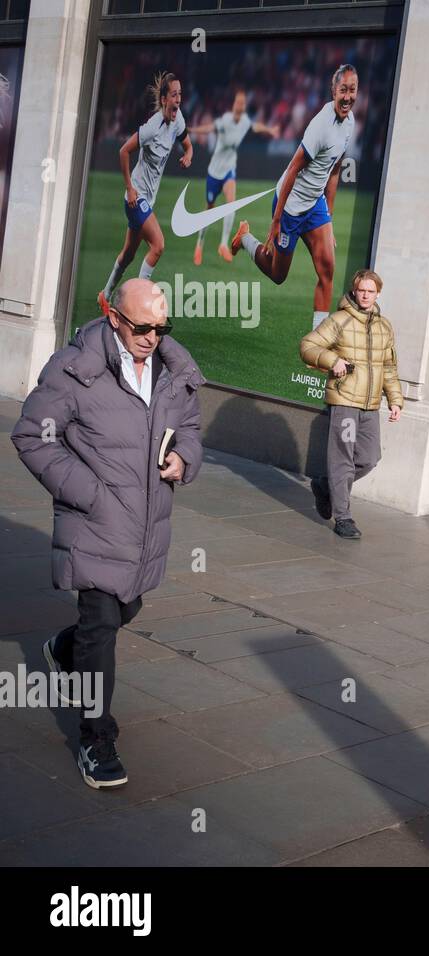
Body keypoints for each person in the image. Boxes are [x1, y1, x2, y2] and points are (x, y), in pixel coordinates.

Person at [12, 278, 205, 790]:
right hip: (94, 521)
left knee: (128, 607)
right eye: (142, 327)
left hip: (145, 524)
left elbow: (189, 423)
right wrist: (89, 494)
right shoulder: (76, 368)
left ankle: (64, 646)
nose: (152, 336)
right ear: (115, 316)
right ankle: (96, 739)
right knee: (101, 625)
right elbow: (32, 434)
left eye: (162, 326)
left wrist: (185, 457)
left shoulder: (172, 365)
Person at [231, 64, 358, 330]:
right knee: (278, 275)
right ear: (333, 91)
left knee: (327, 271)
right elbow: (292, 171)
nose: (348, 97)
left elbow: (334, 171)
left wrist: (329, 220)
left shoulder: (349, 124)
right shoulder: (320, 127)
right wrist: (276, 221)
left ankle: (316, 341)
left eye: (353, 90)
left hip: (314, 205)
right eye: (343, 90)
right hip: (290, 206)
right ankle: (244, 238)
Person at [299, 268, 402, 538]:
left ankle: (325, 486)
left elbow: (389, 366)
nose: (366, 295)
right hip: (344, 400)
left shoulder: (384, 326)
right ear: (355, 291)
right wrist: (333, 360)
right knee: (342, 459)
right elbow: (308, 346)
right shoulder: (339, 320)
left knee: (369, 459)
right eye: (362, 290)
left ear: (378, 293)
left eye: (371, 291)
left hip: (370, 405)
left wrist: (395, 400)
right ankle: (343, 518)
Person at [98, 72, 192, 314]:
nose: (178, 99)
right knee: (158, 245)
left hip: (147, 200)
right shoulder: (152, 127)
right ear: (163, 100)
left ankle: (105, 294)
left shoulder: (178, 118)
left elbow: (187, 142)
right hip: (136, 198)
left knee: (128, 254)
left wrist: (188, 154)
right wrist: (130, 188)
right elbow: (123, 151)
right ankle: (139, 301)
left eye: (180, 94)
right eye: (174, 95)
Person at [187, 90, 280, 265]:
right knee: (210, 208)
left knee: (231, 203)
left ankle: (223, 244)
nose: (240, 106)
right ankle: (199, 244)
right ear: (234, 105)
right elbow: (209, 128)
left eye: (243, 103)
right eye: (238, 102)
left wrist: (269, 130)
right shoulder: (225, 121)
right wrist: (191, 130)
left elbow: (256, 127)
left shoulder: (244, 121)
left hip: (229, 170)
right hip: (215, 171)